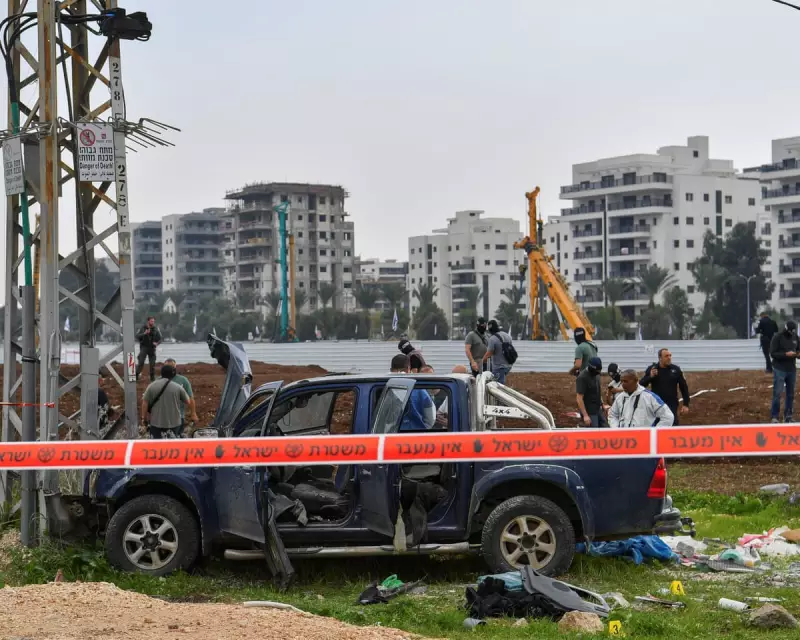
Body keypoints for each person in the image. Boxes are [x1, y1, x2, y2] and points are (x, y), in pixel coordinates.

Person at [141, 364, 198, 439]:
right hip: (174, 423)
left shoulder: (152, 386)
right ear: (173, 374)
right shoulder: (178, 387)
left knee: (156, 444)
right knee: (172, 444)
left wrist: (144, 418)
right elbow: (188, 401)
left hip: (156, 422)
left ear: (161, 373)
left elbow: (145, 403)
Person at [639, 348, 690, 425]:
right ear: (660, 358)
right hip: (656, 404)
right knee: (656, 425)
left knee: (673, 424)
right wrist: (650, 376)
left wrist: (686, 404)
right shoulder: (653, 369)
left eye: (670, 356)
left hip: (671, 403)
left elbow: (683, 387)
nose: (669, 358)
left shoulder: (676, 369)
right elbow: (641, 385)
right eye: (666, 356)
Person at [609, 369, 674, 428]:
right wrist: (616, 429)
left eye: (626, 381)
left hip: (644, 439)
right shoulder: (620, 398)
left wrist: (654, 433)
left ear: (636, 380)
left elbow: (668, 417)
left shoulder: (649, 397)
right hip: (625, 439)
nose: (623, 384)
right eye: (621, 381)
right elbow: (612, 415)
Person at [389, 354, 435, 430]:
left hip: (392, 436)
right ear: (408, 368)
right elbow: (431, 419)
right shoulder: (420, 389)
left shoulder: (387, 388)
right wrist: (421, 430)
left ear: (391, 370)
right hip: (416, 436)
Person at [769, 320, 800, 423]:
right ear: (786, 329)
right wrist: (786, 354)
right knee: (777, 393)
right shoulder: (777, 337)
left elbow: (799, 350)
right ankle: (775, 417)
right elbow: (773, 353)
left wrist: (797, 354)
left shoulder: (796, 337)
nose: (791, 333)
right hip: (780, 368)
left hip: (791, 368)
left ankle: (788, 416)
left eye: (793, 331)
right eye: (790, 331)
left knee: (790, 394)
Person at [164, 357, 194, 436]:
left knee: (175, 436)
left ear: (175, 368)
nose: (170, 370)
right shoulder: (158, 381)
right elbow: (148, 400)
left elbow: (190, 398)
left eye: (172, 367)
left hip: (178, 415)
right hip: (163, 417)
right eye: (168, 367)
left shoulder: (183, 380)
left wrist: (193, 413)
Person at [576, 357, 608, 427]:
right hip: (589, 411)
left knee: (606, 427)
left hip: (598, 409)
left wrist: (602, 404)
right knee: (594, 431)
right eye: (597, 371)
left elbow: (597, 391)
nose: (598, 372)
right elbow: (579, 398)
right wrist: (585, 415)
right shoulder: (582, 378)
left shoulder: (596, 375)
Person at [482, 320, 514, 385]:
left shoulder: (492, 339)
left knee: (499, 386)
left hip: (499, 367)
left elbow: (489, 353)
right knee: (501, 382)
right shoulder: (507, 336)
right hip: (508, 366)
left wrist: (482, 361)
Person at [135, 316, 162, 383]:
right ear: (148, 321)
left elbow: (160, 339)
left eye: (153, 321)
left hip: (152, 348)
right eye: (151, 321)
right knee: (141, 362)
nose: (152, 322)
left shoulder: (156, 329)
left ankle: (152, 377)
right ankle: (136, 375)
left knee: (152, 363)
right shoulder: (143, 328)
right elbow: (137, 336)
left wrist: (157, 343)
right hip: (144, 347)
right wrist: (144, 333)